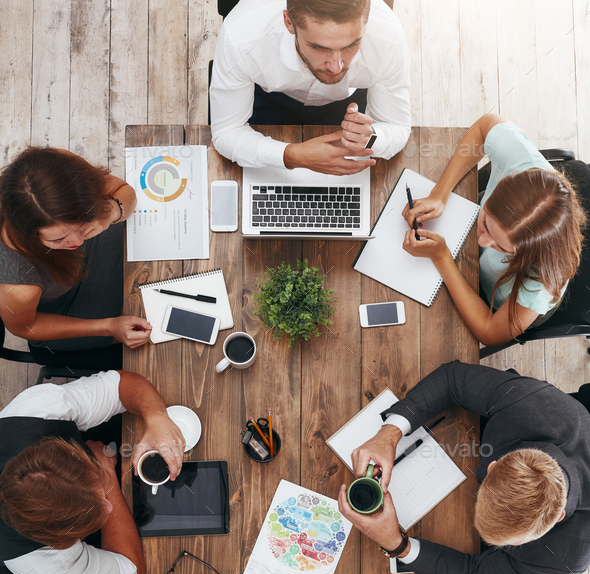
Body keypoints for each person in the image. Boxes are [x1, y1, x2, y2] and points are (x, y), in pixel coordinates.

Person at [338, 360, 590, 574]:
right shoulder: (539, 407)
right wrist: (390, 433)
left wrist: (395, 543)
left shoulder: (568, 557)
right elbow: (453, 379)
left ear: (557, 518)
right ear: (493, 466)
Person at [401, 114, 587, 347]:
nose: (480, 241)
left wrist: (442, 258)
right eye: (486, 223)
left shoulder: (541, 282)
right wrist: (440, 194)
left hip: (500, 300)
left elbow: (489, 332)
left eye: (501, 247)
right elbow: (483, 126)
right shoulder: (521, 164)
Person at [0, 369, 185, 574]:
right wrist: (107, 479)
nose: (109, 507)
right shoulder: (44, 563)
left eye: (93, 479)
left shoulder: (39, 410)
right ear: (62, 542)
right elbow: (131, 572)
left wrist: (156, 417)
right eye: (95, 511)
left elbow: (121, 385)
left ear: (74, 453)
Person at [210, 0, 411, 174]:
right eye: (319, 47)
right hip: (267, 96)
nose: (337, 66)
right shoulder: (241, 38)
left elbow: (396, 126)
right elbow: (227, 132)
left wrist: (371, 138)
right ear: (289, 22)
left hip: (349, 102)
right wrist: (292, 155)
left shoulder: (389, 39)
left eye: (351, 44)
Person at [0, 146, 152, 365]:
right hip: (67, 311)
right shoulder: (19, 287)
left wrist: (110, 212)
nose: (79, 242)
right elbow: (25, 327)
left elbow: (123, 190)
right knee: (152, 324)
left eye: (82, 226)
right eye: (57, 240)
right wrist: (108, 326)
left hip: (87, 266)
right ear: (26, 234)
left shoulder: (51, 173)